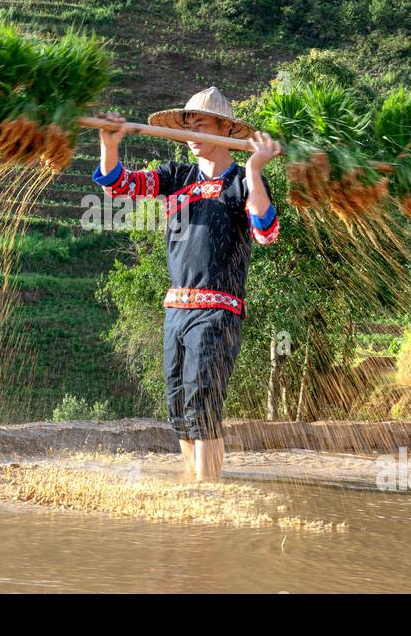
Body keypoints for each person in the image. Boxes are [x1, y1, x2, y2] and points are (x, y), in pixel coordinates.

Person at [93, 87, 281, 482]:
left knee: (202, 405)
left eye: (203, 125)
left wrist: (254, 171)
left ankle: (207, 491)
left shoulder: (242, 184)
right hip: (176, 309)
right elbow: (119, 185)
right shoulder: (177, 177)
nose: (193, 133)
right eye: (189, 126)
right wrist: (108, 144)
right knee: (178, 409)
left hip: (218, 311)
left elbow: (266, 231)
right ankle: (191, 484)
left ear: (225, 129)